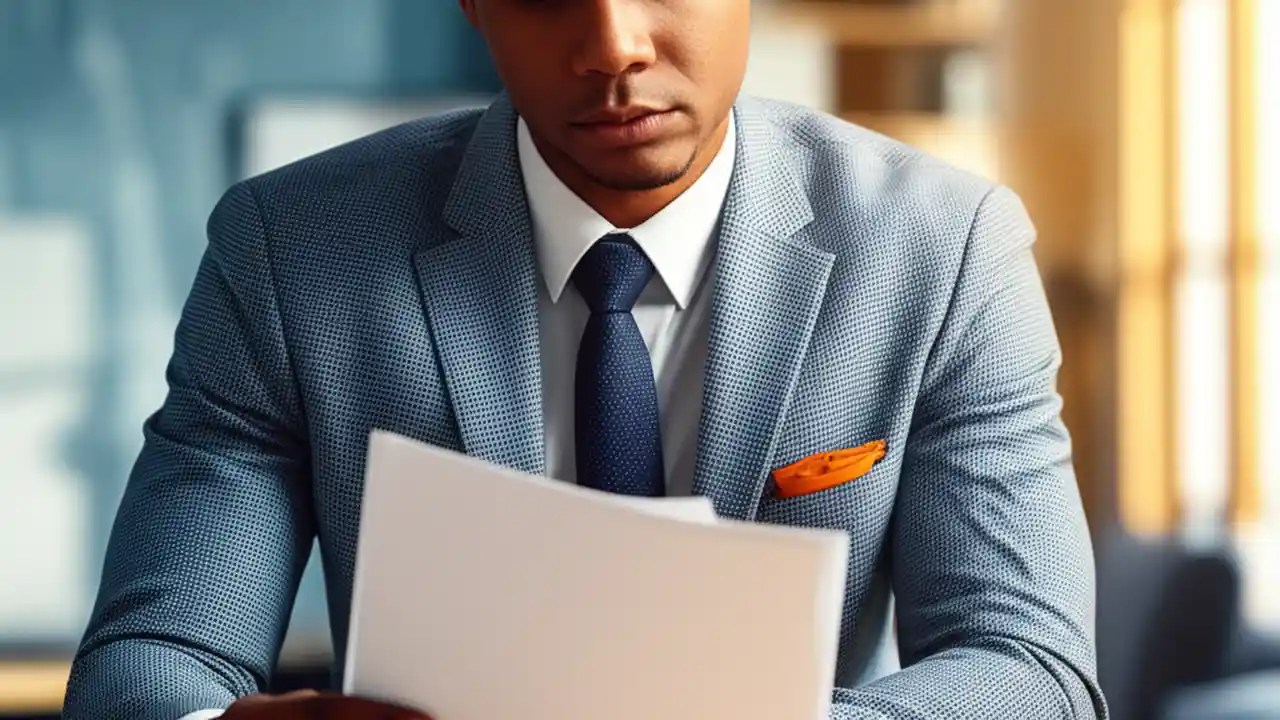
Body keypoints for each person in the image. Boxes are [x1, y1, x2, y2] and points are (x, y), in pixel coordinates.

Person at [63, 1, 1108, 718]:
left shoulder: (943, 249)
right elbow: (152, 665)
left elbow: (1029, 669)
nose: (611, 45)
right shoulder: (292, 253)